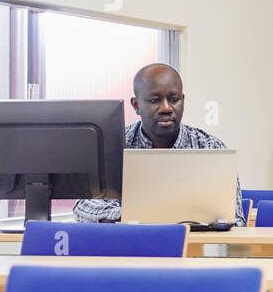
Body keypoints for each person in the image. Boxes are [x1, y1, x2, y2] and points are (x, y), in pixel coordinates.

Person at [73, 63, 244, 224]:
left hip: (194, 250)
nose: (166, 108)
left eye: (174, 99)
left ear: (183, 100)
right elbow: (83, 207)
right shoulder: (114, 146)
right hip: (133, 247)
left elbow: (235, 219)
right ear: (135, 105)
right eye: (155, 100)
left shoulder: (210, 148)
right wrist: (135, 217)